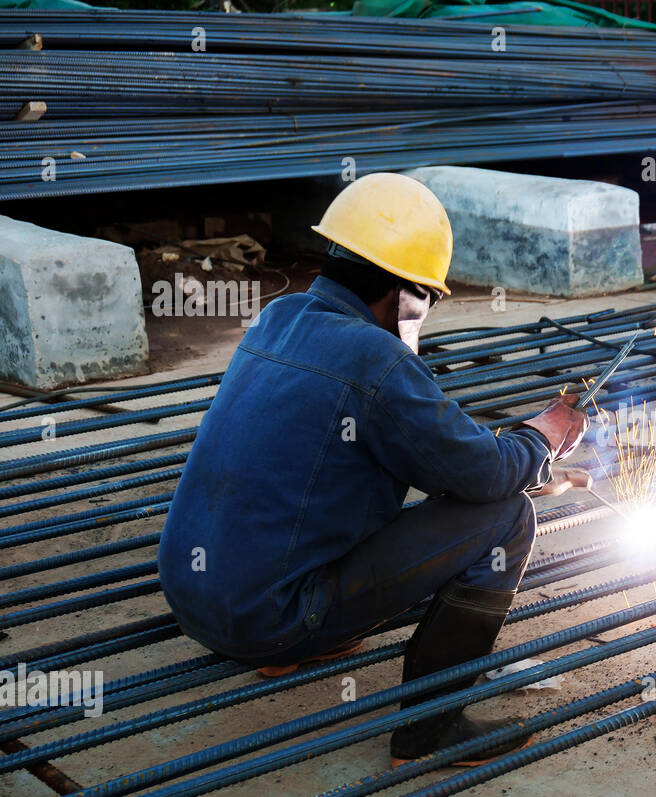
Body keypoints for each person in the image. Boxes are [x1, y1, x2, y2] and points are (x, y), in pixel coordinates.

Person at [158, 172, 589, 766]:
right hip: (267, 615)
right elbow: (479, 474)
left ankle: (289, 642)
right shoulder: (376, 357)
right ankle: (429, 730)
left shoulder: (280, 315)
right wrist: (540, 440)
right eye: (429, 300)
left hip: (192, 595)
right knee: (506, 515)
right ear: (403, 293)